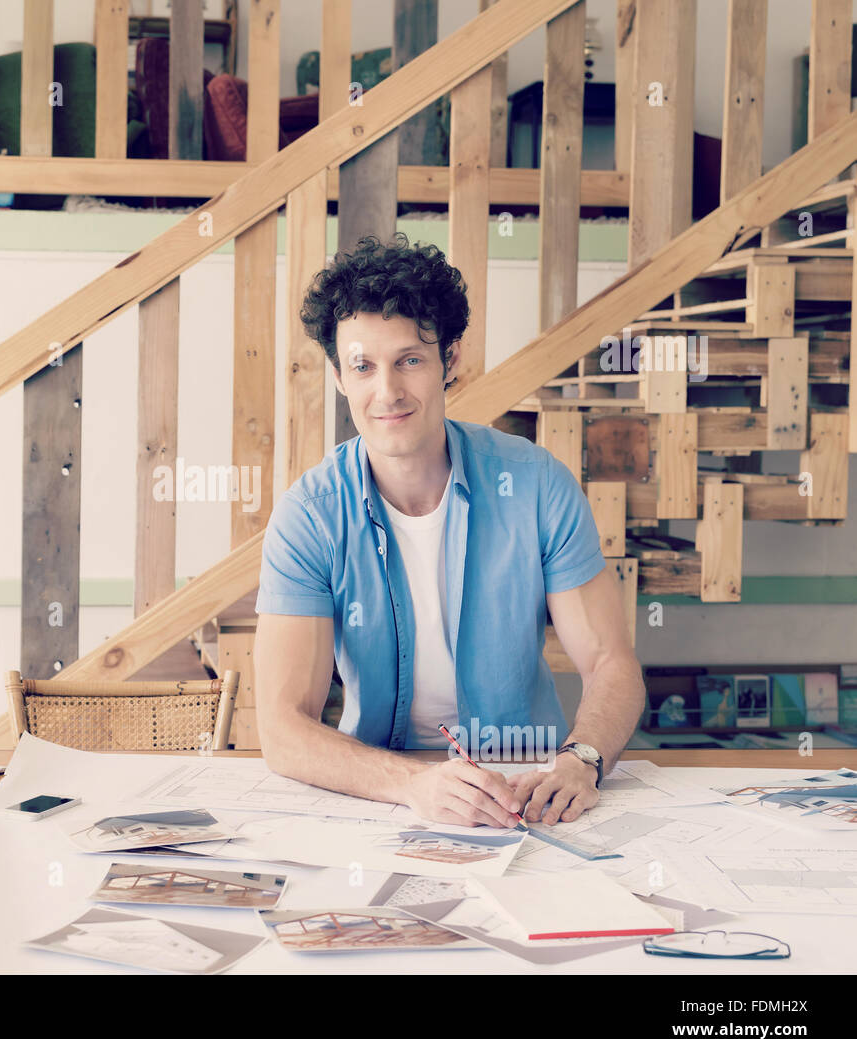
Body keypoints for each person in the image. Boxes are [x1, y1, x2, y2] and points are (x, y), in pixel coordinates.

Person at [254, 233, 645, 829]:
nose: (387, 392)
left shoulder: (537, 484)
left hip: (528, 790)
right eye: (363, 366)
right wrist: (414, 785)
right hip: (380, 791)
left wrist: (582, 760)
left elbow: (611, 661)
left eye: (410, 359)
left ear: (450, 360)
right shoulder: (310, 514)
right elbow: (283, 730)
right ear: (339, 375)